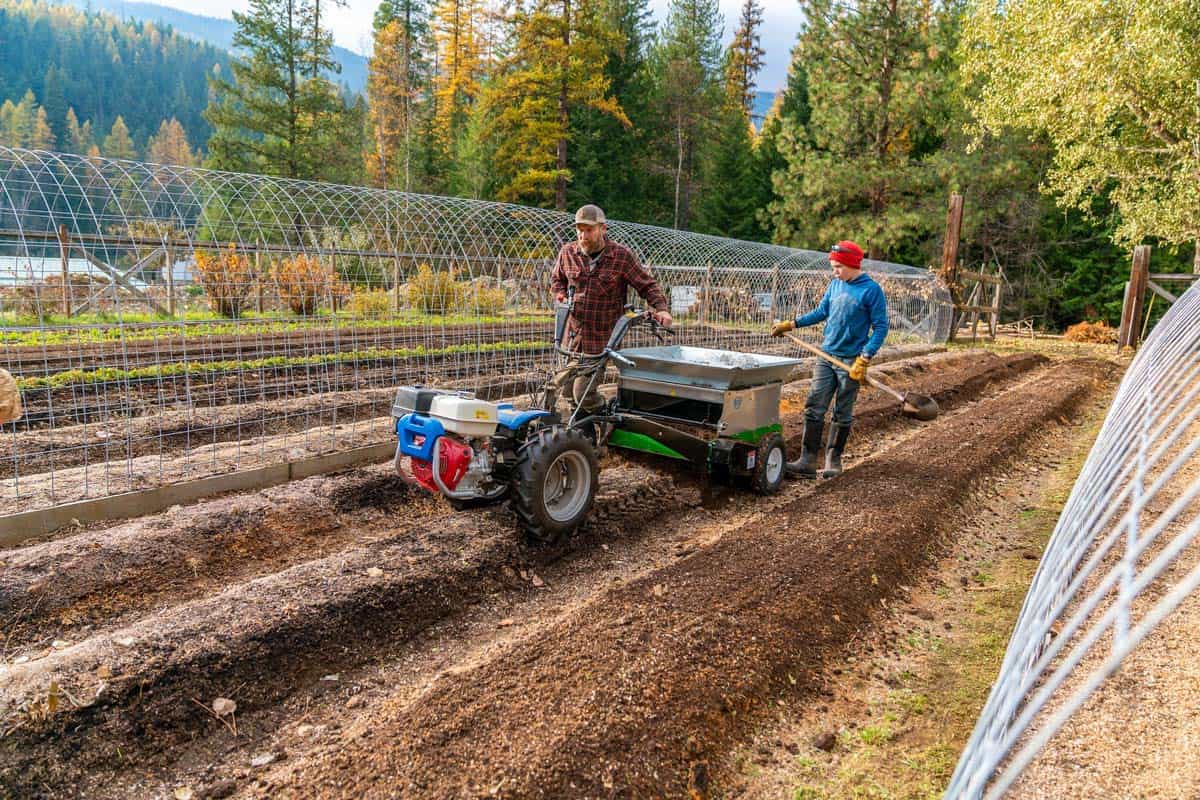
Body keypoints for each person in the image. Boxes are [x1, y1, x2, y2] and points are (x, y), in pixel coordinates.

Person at [771, 240, 888, 478]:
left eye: (838, 267)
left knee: (842, 411)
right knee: (814, 406)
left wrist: (864, 358)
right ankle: (807, 461)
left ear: (852, 264)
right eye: (833, 266)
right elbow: (821, 312)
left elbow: (881, 327)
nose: (834, 271)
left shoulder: (871, 290)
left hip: (850, 361)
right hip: (826, 356)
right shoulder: (836, 284)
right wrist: (792, 324)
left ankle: (834, 461)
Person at [545, 204, 672, 416]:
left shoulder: (620, 257)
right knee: (566, 391)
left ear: (602, 229)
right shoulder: (568, 253)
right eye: (580, 229)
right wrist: (559, 294)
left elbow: (646, 284)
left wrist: (661, 308)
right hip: (572, 338)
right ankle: (585, 435)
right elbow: (557, 279)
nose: (583, 235)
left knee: (582, 392)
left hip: (600, 340)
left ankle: (609, 416)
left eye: (589, 230)